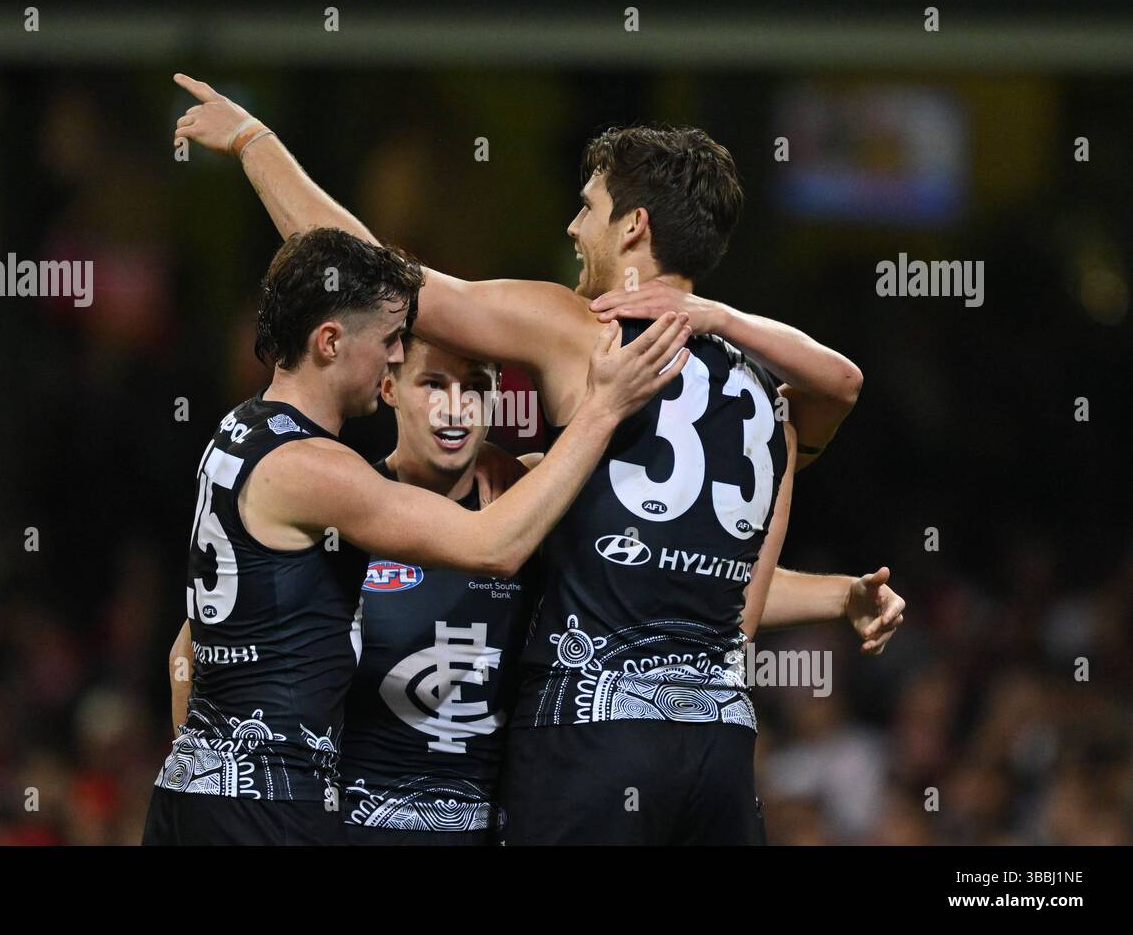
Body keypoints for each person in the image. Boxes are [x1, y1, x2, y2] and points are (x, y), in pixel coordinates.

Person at [171, 75, 900, 843]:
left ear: (633, 228)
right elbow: (690, 559)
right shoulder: (765, 401)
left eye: (588, 206)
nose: (574, 225)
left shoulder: (578, 330)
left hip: (590, 740)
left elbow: (368, 272)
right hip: (720, 748)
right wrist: (839, 593)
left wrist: (258, 145)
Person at [142, 226, 692, 844]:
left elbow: (183, 652)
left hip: (193, 791)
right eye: (387, 341)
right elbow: (495, 547)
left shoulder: (238, 432)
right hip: (273, 801)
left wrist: (210, 773)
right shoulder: (318, 470)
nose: (394, 356)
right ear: (329, 342)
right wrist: (603, 408)